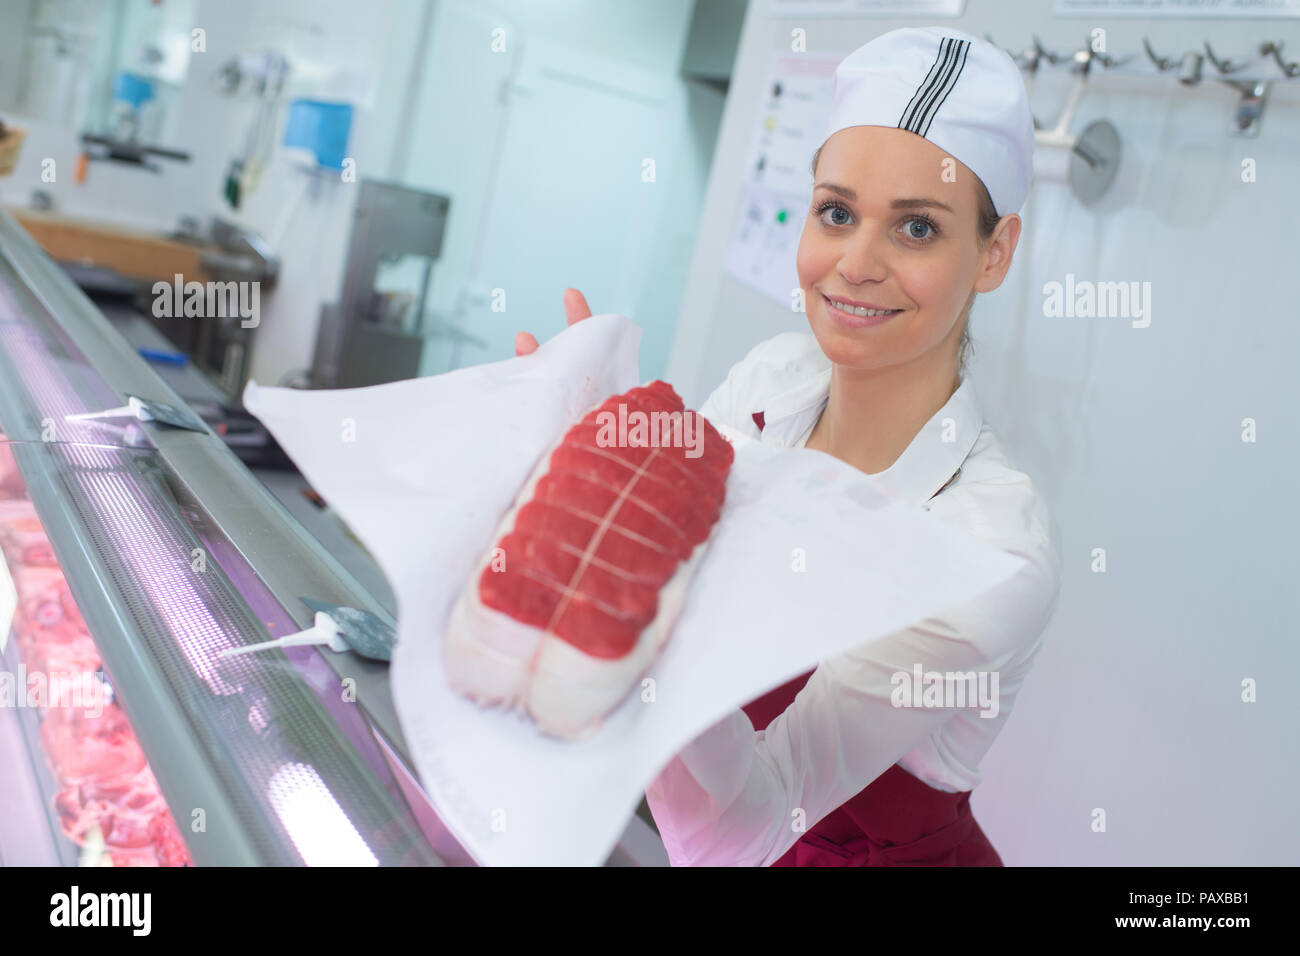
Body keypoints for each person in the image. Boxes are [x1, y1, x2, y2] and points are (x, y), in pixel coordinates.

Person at [516, 26, 1061, 866]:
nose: (856, 263)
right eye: (836, 213)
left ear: (994, 253)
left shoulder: (987, 548)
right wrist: (591, 483)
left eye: (917, 229)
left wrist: (630, 596)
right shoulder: (771, 388)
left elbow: (747, 828)